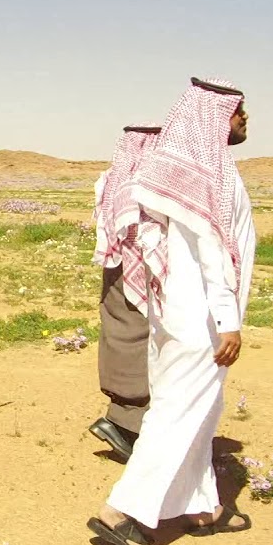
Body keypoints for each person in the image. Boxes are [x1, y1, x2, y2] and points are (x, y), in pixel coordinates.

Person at [87, 78, 257, 545]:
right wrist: (228, 320)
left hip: (178, 320)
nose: (245, 118)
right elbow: (213, 254)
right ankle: (121, 512)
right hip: (200, 323)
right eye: (238, 111)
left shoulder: (204, 176)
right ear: (216, 118)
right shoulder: (205, 182)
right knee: (176, 417)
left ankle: (202, 508)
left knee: (200, 413)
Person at [88, 123, 162, 462]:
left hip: (117, 267)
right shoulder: (144, 184)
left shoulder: (112, 179)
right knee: (139, 342)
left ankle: (121, 421)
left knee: (120, 338)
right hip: (141, 270)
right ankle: (129, 427)